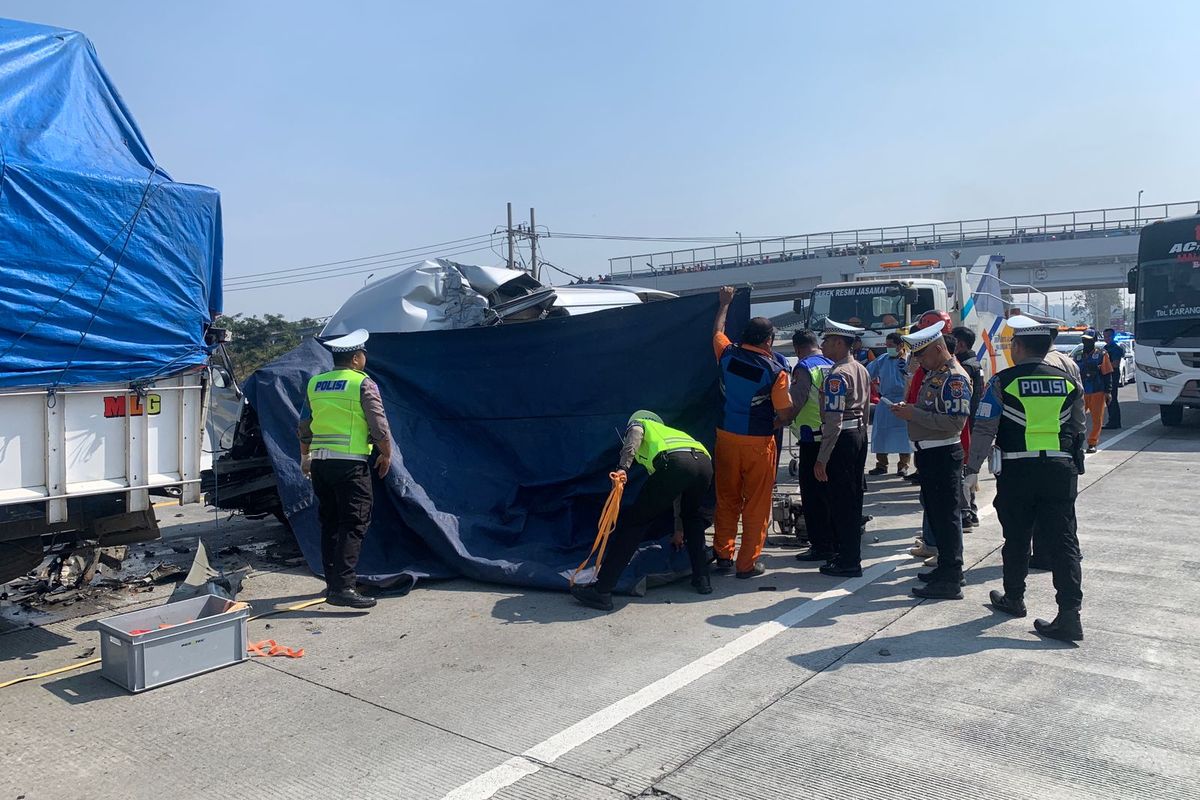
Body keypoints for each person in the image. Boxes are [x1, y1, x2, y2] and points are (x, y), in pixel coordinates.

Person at [966, 316, 1086, 642]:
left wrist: (971, 469)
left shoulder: (1002, 382)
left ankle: (1014, 597)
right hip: (1060, 471)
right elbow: (1079, 428)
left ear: (1018, 347)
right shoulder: (1069, 382)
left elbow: (984, 428)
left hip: (1018, 471)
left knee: (1017, 537)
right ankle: (1070, 615)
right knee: (1064, 542)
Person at [571, 411, 714, 611]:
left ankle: (601, 590)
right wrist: (679, 529)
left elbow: (635, 436)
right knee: (693, 518)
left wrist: (623, 468)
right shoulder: (672, 434)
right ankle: (702, 580)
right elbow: (675, 492)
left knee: (635, 523)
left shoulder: (641, 424)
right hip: (704, 464)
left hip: (676, 464)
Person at [297, 329, 393, 610]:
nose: (364, 359)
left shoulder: (316, 383)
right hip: (350, 465)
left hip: (321, 465)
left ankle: (334, 584)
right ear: (355, 359)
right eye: (362, 354)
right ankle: (344, 588)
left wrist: (305, 456)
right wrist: (386, 453)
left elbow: (304, 424)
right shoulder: (362, 383)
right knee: (354, 523)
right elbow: (378, 424)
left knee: (331, 523)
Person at [712, 287, 792, 578]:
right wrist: (776, 422)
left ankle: (723, 555)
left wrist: (725, 304)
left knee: (727, 498)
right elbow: (784, 413)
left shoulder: (726, 354)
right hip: (758, 442)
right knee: (756, 505)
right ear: (769, 340)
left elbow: (718, 330)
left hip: (725, 438)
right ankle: (746, 564)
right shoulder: (775, 371)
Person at [892, 320, 972, 599]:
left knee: (947, 518)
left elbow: (955, 422)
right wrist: (911, 409)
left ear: (938, 349)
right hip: (929, 452)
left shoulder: (954, 378)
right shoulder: (935, 374)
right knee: (937, 516)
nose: (919, 361)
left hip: (943, 453)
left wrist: (913, 414)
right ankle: (945, 568)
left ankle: (951, 576)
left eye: (922, 354)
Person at [812, 320, 871, 578]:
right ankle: (848, 554)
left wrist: (822, 458)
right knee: (853, 498)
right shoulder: (860, 369)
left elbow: (833, 420)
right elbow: (865, 410)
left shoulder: (837, 375)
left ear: (838, 343)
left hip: (841, 438)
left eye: (826, 341)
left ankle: (848, 561)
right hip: (857, 434)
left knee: (842, 502)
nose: (823, 345)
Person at [785, 330, 836, 562]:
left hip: (811, 439)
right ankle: (833, 540)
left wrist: (780, 420)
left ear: (797, 349)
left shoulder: (804, 367)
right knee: (830, 494)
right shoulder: (831, 364)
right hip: (830, 437)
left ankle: (821, 546)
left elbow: (795, 402)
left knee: (813, 496)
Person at [866, 333, 912, 477]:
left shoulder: (909, 360)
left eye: (891, 346)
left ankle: (903, 465)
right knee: (881, 433)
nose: (888, 348)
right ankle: (881, 464)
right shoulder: (882, 359)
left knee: (904, 435)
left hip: (903, 401)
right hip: (885, 401)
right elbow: (867, 373)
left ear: (900, 345)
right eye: (887, 345)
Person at [951, 327, 984, 529]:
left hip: (965, 424)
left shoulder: (964, 368)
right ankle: (971, 509)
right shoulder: (975, 363)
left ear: (961, 344)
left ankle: (966, 513)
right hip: (973, 421)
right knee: (968, 470)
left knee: (962, 471)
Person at [1072, 328, 1113, 454]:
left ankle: (1092, 443)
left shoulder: (1102, 355)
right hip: (1081, 392)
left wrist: (1108, 391)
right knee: (1076, 418)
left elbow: (1107, 373)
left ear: (1094, 340)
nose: (1086, 342)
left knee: (1097, 419)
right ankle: (1075, 442)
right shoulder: (1077, 355)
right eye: (1084, 340)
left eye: (1089, 340)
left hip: (1097, 391)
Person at [1102, 328, 1124, 429]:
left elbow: (1115, 364)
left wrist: (1102, 366)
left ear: (1113, 336)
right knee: (1108, 399)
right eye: (1104, 336)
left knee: (1112, 398)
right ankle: (1112, 420)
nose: (1106, 338)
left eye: (1108, 336)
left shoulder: (1116, 348)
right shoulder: (1105, 348)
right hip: (1106, 375)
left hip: (1113, 375)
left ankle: (1115, 422)